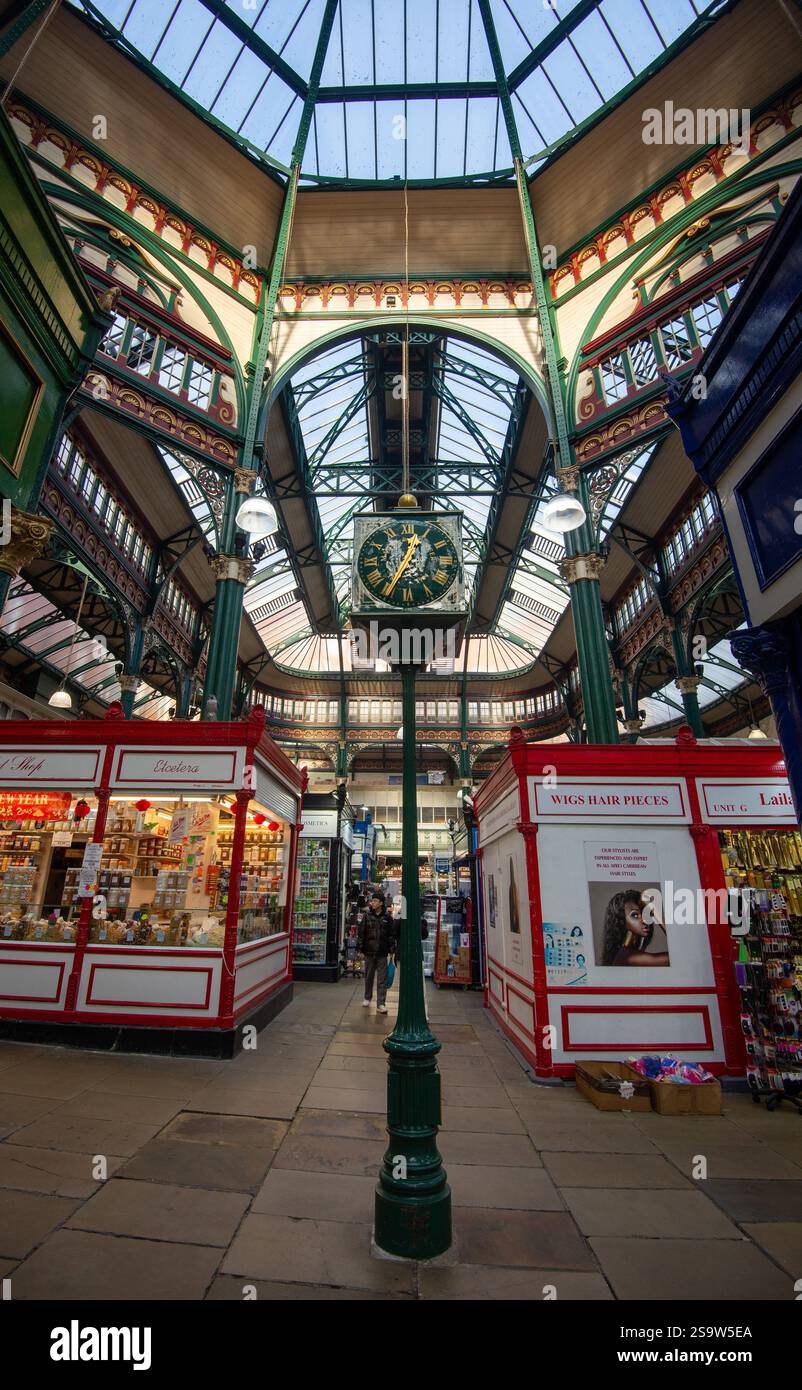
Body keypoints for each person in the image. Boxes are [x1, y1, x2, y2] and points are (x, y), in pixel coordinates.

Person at [601, 889, 670, 967]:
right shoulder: (627, 957)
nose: (644, 920)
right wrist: (656, 913)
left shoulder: (627, 953)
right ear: (622, 921)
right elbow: (679, 956)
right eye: (635, 915)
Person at [357, 890, 397, 1013]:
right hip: (369, 951)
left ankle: (381, 1003)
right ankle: (367, 997)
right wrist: (360, 949)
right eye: (372, 900)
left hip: (382, 953)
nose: (372, 903)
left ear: (381, 903)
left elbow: (391, 935)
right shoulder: (367, 916)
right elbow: (361, 933)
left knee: (382, 979)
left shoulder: (387, 918)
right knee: (368, 977)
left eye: (375, 901)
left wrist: (391, 950)